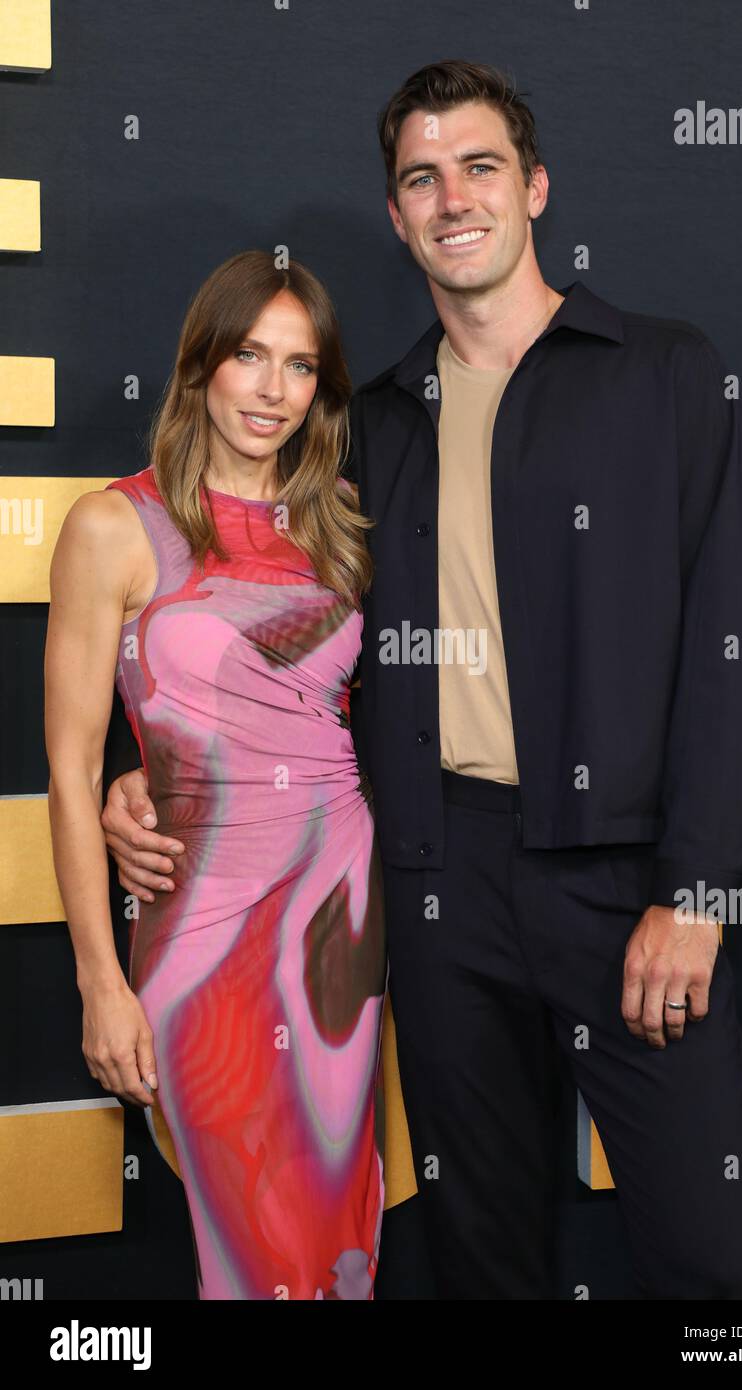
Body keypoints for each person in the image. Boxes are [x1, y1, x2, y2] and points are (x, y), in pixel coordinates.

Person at [101, 61, 742, 1300]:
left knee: (709, 1261)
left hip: (626, 881)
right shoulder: (368, 427)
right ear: (398, 213)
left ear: (532, 187)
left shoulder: (668, 375)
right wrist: (146, 780)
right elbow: (242, 624)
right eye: (420, 176)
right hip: (432, 882)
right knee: (481, 1252)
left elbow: (731, 652)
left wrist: (695, 889)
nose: (450, 195)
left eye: (476, 167)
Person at [44, 250, 387, 1300]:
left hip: (335, 919)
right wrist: (100, 982)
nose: (273, 391)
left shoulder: (337, 520)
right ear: (201, 365)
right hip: (199, 933)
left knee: (333, 1231)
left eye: (299, 367)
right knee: (246, 1240)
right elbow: (68, 767)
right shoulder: (116, 525)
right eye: (250, 356)